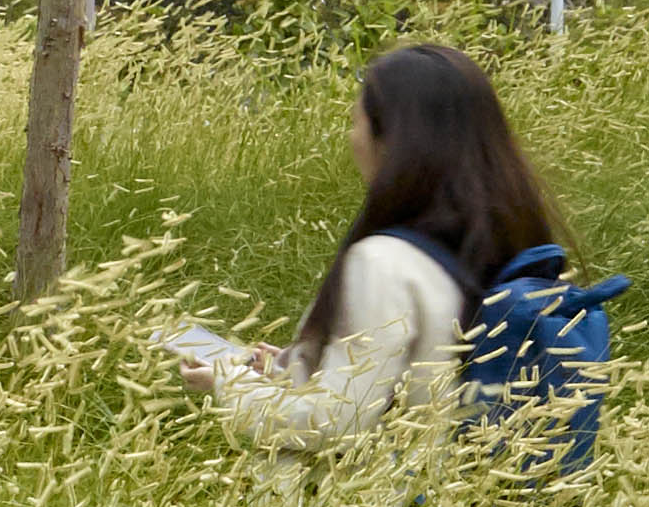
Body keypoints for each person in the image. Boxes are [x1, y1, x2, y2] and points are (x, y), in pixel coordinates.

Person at [166, 40, 579, 462]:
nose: (351, 136)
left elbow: (333, 425)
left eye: (356, 120)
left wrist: (230, 384)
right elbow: (417, 378)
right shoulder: (504, 241)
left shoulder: (383, 263)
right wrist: (294, 366)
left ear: (394, 140)